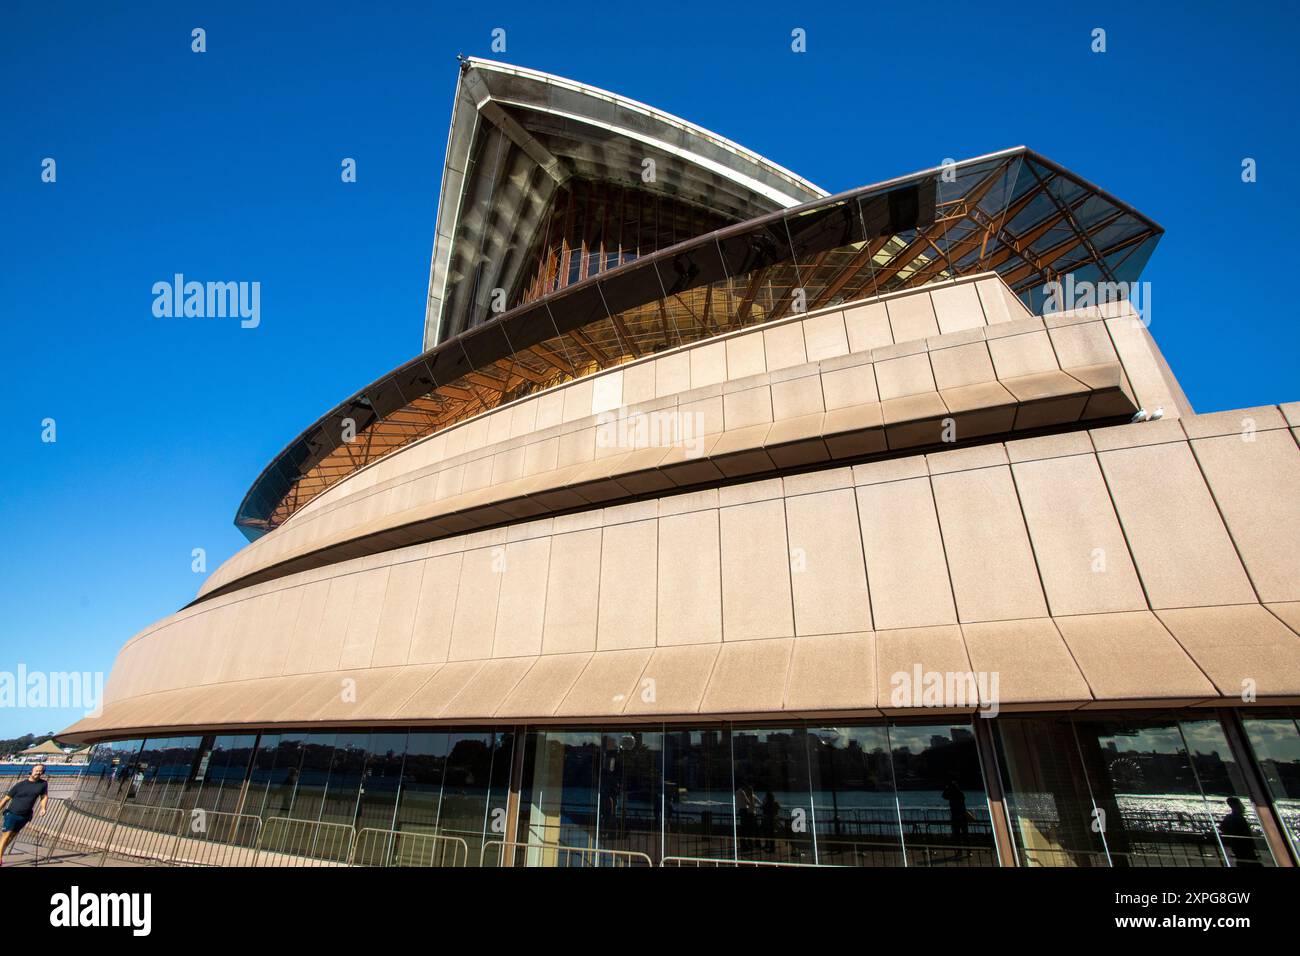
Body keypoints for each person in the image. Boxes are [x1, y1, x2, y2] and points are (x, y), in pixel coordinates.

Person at [0, 764, 50, 866]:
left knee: (11, 837)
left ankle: (1, 853)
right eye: (36, 770)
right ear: (31, 771)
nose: (38, 772)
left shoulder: (43, 784)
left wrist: (43, 808)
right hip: (12, 814)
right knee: (6, 836)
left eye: (40, 771)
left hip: (24, 816)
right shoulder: (20, 785)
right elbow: (6, 799)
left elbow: (44, 796)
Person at [1218, 797, 1261, 867]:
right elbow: (1246, 831)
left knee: (1242, 861)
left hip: (1236, 844)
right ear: (1236, 805)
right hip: (1244, 844)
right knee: (1250, 861)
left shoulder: (1229, 817)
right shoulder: (1238, 818)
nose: (1243, 807)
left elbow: (1222, 827)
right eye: (1240, 804)